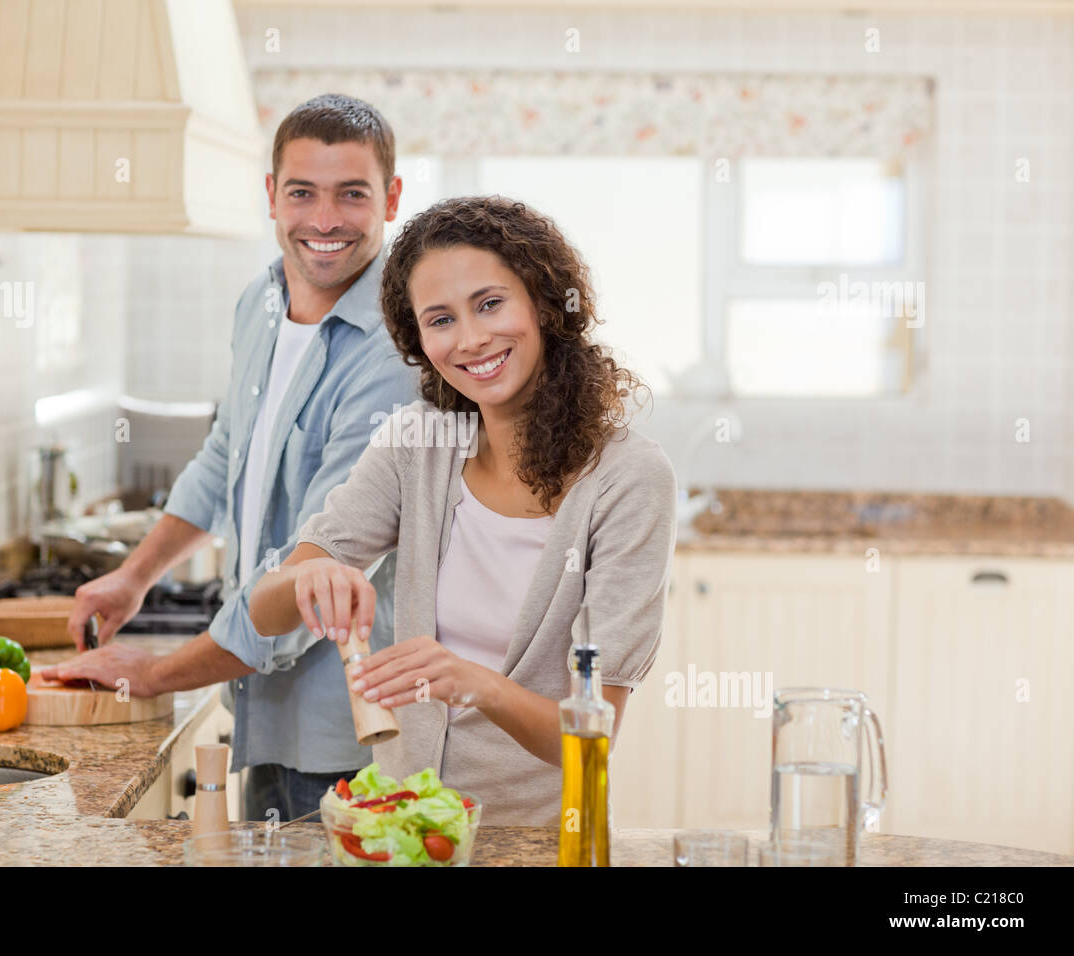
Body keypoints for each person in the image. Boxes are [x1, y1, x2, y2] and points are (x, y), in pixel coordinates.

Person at [38, 94, 419, 822]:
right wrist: (136, 575)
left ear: (392, 199)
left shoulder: (393, 350)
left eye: (353, 195)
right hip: (263, 703)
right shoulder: (263, 300)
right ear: (271, 195)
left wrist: (154, 673)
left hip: (348, 729)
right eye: (303, 192)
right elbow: (225, 454)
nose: (325, 220)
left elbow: (319, 578)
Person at [248, 195, 678, 826]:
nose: (472, 339)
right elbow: (265, 610)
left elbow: (594, 735)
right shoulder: (416, 442)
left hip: (537, 839)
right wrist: (310, 576)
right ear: (419, 340)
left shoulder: (628, 479)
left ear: (543, 301)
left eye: (490, 303)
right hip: (401, 826)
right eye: (440, 319)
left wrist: (473, 681)